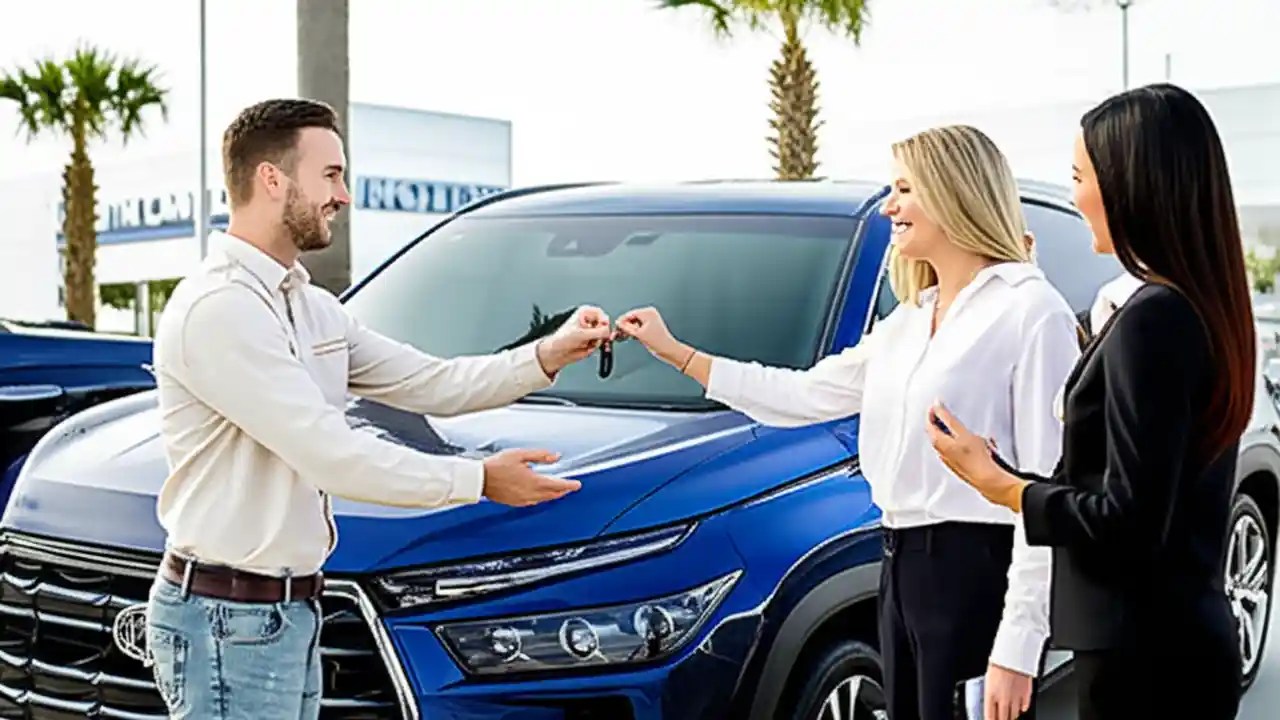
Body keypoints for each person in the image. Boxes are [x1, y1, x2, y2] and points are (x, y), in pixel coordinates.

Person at [145, 98, 607, 719]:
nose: (346, 195)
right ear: (272, 179)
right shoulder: (220, 310)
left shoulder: (309, 307)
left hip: (284, 614)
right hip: (228, 622)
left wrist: (549, 353)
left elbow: (432, 382)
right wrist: (480, 479)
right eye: (330, 175)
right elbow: (331, 455)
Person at [616, 125, 1080, 720]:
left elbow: (1048, 492)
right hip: (900, 567)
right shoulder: (910, 320)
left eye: (905, 189)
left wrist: (1019, 645)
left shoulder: (1030, 310)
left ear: (953, 192)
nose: (891, 205)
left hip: (977, 573)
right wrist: (678, 353)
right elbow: (801, 394)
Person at [927, 83, 1254, 720]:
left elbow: (1127, 521)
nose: (1072, 195)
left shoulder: (1153, 319)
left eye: (1079, 176)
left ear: (1131, 186)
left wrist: (1003, 487)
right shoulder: (1196, 309)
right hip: (1179, 645)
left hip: (1146, 664)